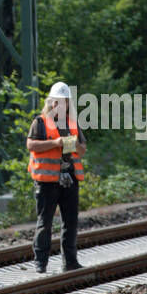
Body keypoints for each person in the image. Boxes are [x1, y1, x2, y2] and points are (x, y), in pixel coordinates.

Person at [27, 80, 86, 274]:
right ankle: (40, 263)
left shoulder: (72, 123)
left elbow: (82, 149)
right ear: (51, 102)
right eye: (56, 101)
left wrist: (74, 144)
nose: (59, 105)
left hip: (69, 179)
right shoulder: (40, 122)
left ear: (68, 103)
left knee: (70, 221)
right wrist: (55, 143)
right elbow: (31, 145)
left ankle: (70, 262)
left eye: (64, 101)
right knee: (45, 222)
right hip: (46, 182)